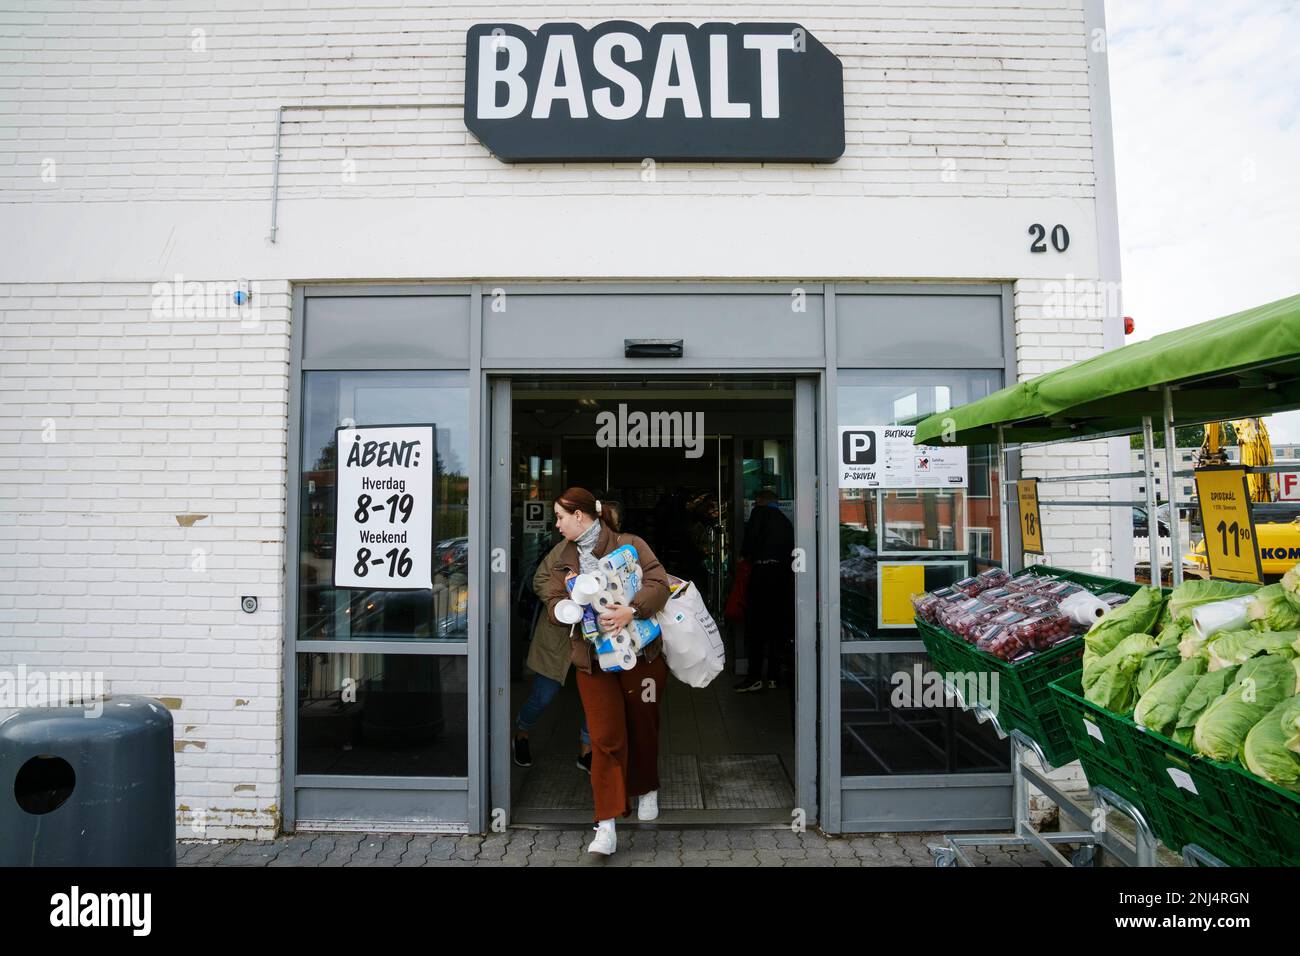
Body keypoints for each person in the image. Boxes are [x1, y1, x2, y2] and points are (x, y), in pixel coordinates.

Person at [542, 487, 670, 857]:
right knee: (604, 738)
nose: (557, 524)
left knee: (643, 724)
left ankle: (646, 787)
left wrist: (632, 610)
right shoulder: (562, 559)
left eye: (560, 517)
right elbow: (551, 602)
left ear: (580, 516)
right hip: (592, 662)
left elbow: (658, 583)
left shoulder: (630, 543)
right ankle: (607, 824)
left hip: (640, 655)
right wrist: (564, 609)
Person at [513, 500, 624, 774]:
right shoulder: (565, 549)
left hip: (597, 638)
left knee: (594, 697)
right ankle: (521, 734)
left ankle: (585, 751)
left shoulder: (619, 553)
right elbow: (539, 580)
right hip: (559, 634)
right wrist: (562, 602)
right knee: (544, 695)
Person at [735, 489, 795, 693]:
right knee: (777, 629)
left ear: (760, 501)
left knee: (757, 628)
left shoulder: (760, 513)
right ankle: (774, 677)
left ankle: (754, 677)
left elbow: (750, 539)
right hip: (783, 580)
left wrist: (743, 555)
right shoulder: (787, 522)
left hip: (762, 576)